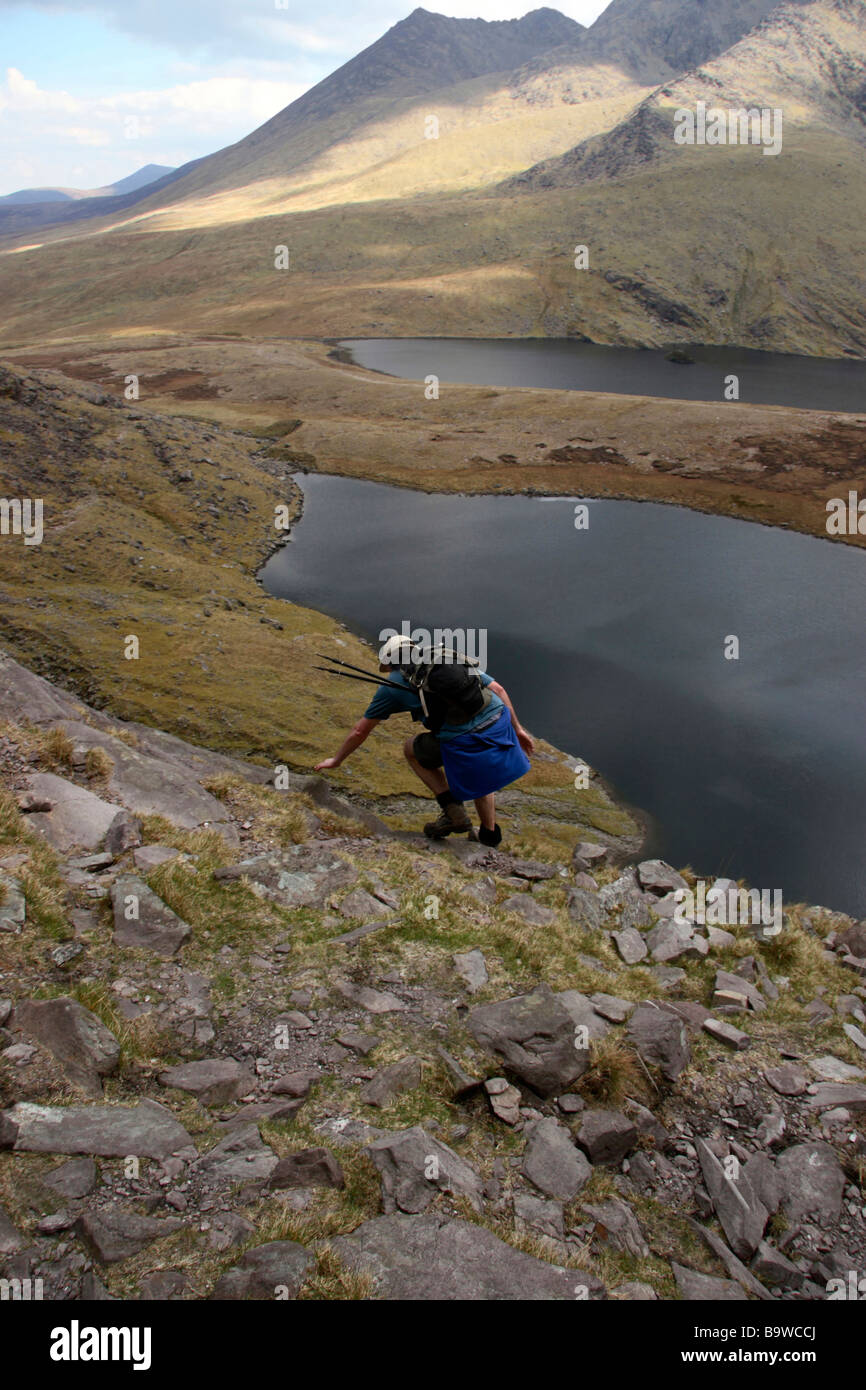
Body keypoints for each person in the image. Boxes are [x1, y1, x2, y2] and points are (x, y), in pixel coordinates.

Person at [314, 636, 535, 844]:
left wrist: (337, 760)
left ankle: (452, 810)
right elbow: (498, 689)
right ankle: (489, 836)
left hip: (463, 740)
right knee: (478, 767)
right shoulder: (442, 658)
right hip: (498, 723)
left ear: (389, 664)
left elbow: (359, 732)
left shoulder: (391, 687)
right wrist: (518, 729)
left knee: (412, 749)